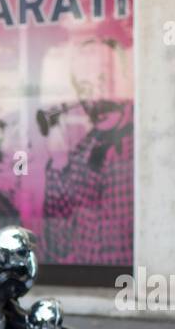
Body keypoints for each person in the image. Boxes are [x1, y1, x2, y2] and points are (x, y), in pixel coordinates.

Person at [40, 37, 134, 265]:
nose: (95, 96)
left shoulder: (144, 143)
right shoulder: (82, 153)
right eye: (84, 87)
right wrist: (60, 162)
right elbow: (57, 246)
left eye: (104, 79)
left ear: (126, 78)